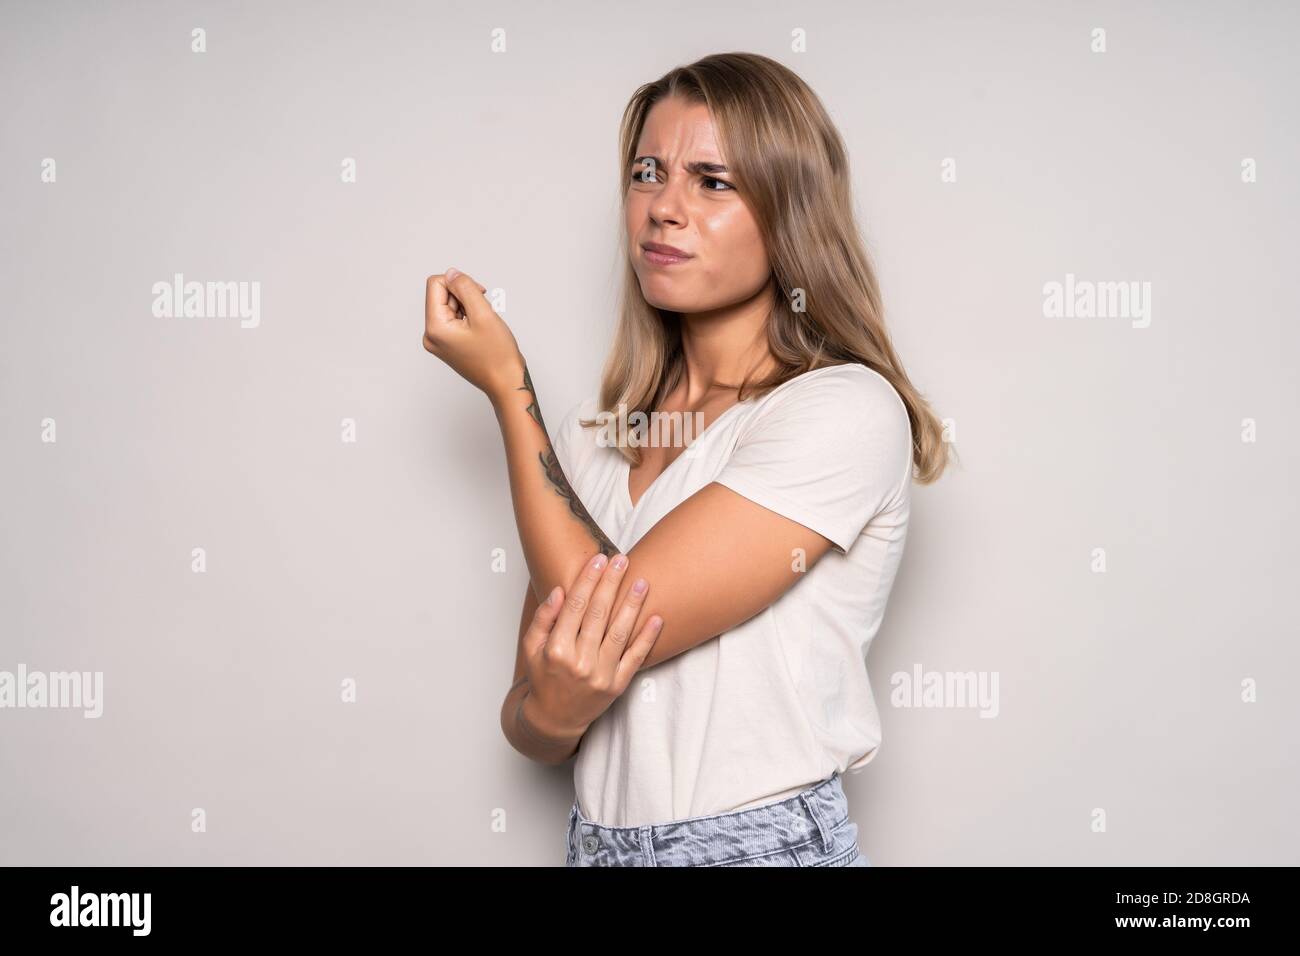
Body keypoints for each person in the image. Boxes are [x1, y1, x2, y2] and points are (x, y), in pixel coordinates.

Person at [422, 51, 953, 866]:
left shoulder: (842, 410)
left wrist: (506, 388)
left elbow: (617, 622)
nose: (664, 209)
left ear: (789, 210)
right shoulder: (593, 435)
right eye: (648, 173)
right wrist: (559, 712)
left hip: (761, 848)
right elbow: (528, 720)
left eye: (712, 181)